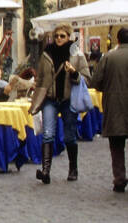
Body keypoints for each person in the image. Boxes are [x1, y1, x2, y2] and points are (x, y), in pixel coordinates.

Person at [31, 22, 91, 184]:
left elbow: (87, 78)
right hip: (50, 99)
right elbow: (41, 78)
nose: (58, 38)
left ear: (69, 37)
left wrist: (74, 73)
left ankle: (73, 168)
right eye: (56, 36)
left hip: (68, 100)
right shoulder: (47, 53)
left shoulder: (77, 54)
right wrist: (37, 93)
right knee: (48, 134)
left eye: (62, 36)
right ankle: (45, 171)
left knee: (70, 136)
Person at [92, 26, 128, 192]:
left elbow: (96, 81)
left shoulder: (108, 57)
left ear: (118, 40)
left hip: (114, 106)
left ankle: (119, 179)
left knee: (116, 145)